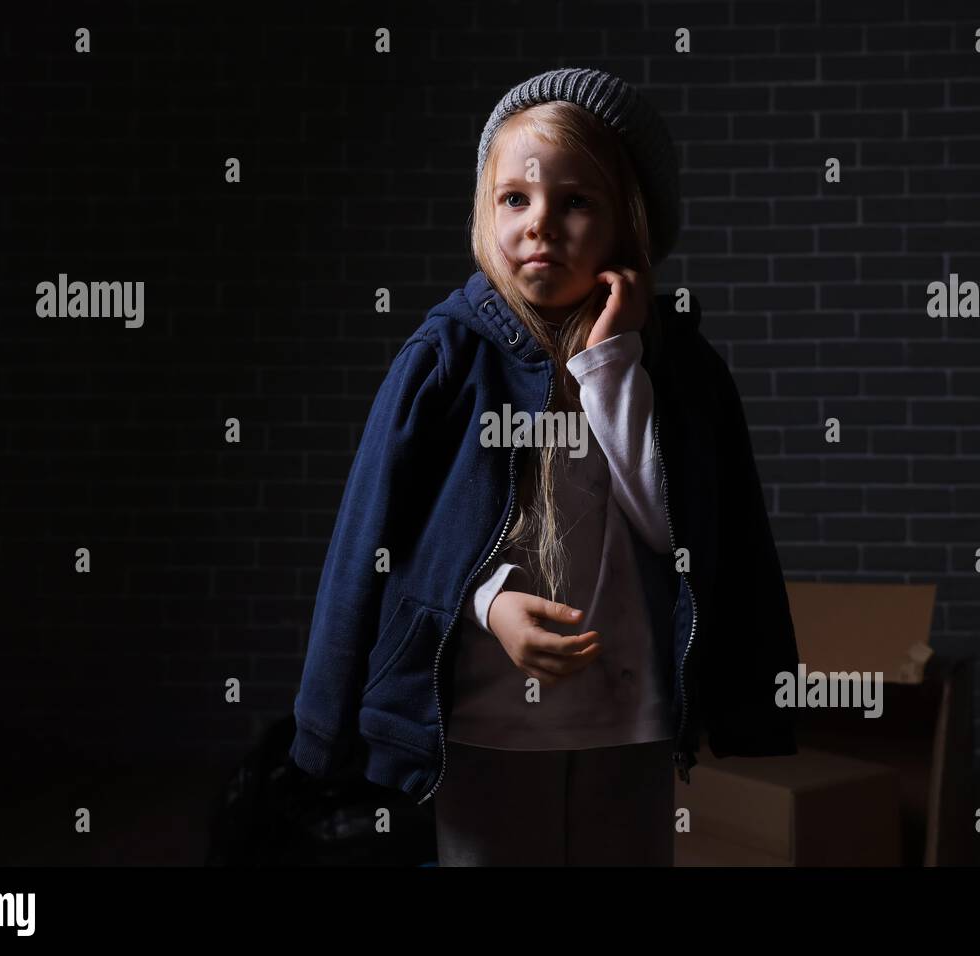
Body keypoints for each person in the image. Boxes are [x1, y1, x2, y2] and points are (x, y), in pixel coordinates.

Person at [289, 67, 799, 867]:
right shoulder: (446, 357)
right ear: (485, 213)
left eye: (576, 202)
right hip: (483, 717)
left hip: (629, 714)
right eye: (514, 199)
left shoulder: (679, 367)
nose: (540, 226)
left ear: (628, 223)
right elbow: (386, 540)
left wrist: (611, 368)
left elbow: (677, 533)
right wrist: (490, 605)